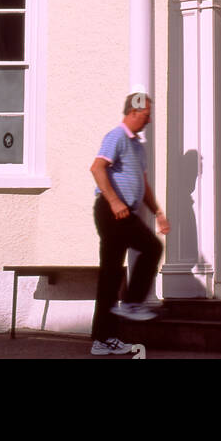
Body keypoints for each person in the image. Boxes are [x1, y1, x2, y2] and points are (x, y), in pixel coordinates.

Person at [89, 93, 170, 356]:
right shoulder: (117, 136)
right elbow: (97, 168)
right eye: (146, 115)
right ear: (133, 112)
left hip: (124, 213)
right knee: (151, 248)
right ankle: (132, 304)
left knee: (112, 273)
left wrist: (157, 212)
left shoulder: (137, 146)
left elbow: (143, 184)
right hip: (112, 211)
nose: (148, 120)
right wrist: (113, 201)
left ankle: (104, 338)